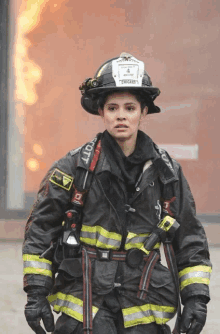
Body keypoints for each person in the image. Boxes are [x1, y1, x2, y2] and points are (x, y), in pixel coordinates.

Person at [23, 52, 212, 334]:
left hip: (143, 305)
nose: (121, 116)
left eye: (130, 108)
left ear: (144, 112)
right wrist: (36, 293)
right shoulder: (74, 168)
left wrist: (196, 298)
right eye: (112, 108)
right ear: (101, 112)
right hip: (86, 304)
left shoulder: (167, 172)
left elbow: (190, 238)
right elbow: (41, 229)